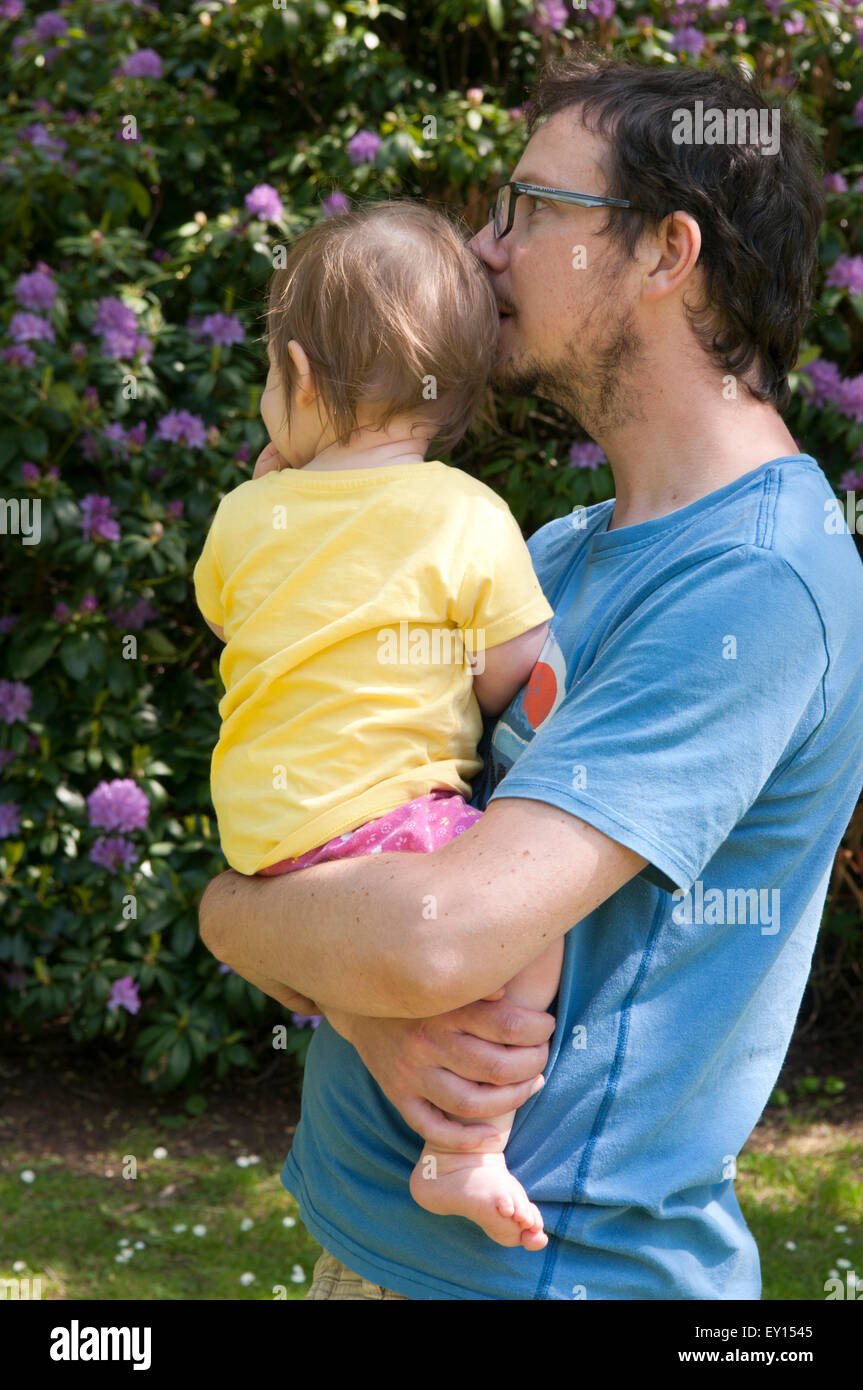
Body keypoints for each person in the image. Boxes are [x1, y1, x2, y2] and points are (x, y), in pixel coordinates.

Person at [198, 57, 863, 1300]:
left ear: (666, 254)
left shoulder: (756, 586)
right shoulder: (554, 550)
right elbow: (347, 851)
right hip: (378, 1243)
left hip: (554, 1278)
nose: (483, 250)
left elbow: (437, 934)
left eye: (527, 208)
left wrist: (241, 923)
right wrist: (341, 980)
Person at [192, 199, 563, 1249]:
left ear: (298, 378)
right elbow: (511, 677)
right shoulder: (466, 514)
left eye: (269, 376)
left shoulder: (241, 516)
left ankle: (390, 1042)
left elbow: (228, 609)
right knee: (527, 919)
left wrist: (275, 494)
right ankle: (467, 1150)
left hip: (267, 844)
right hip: (387, 832)